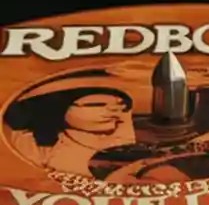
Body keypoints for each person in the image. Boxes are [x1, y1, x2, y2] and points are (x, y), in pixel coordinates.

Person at [4, 75, 137, 177]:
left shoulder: (130, 145)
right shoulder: (34, 147)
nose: (115, 110)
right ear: (58, 108)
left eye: (121, 105)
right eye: (97, 105)